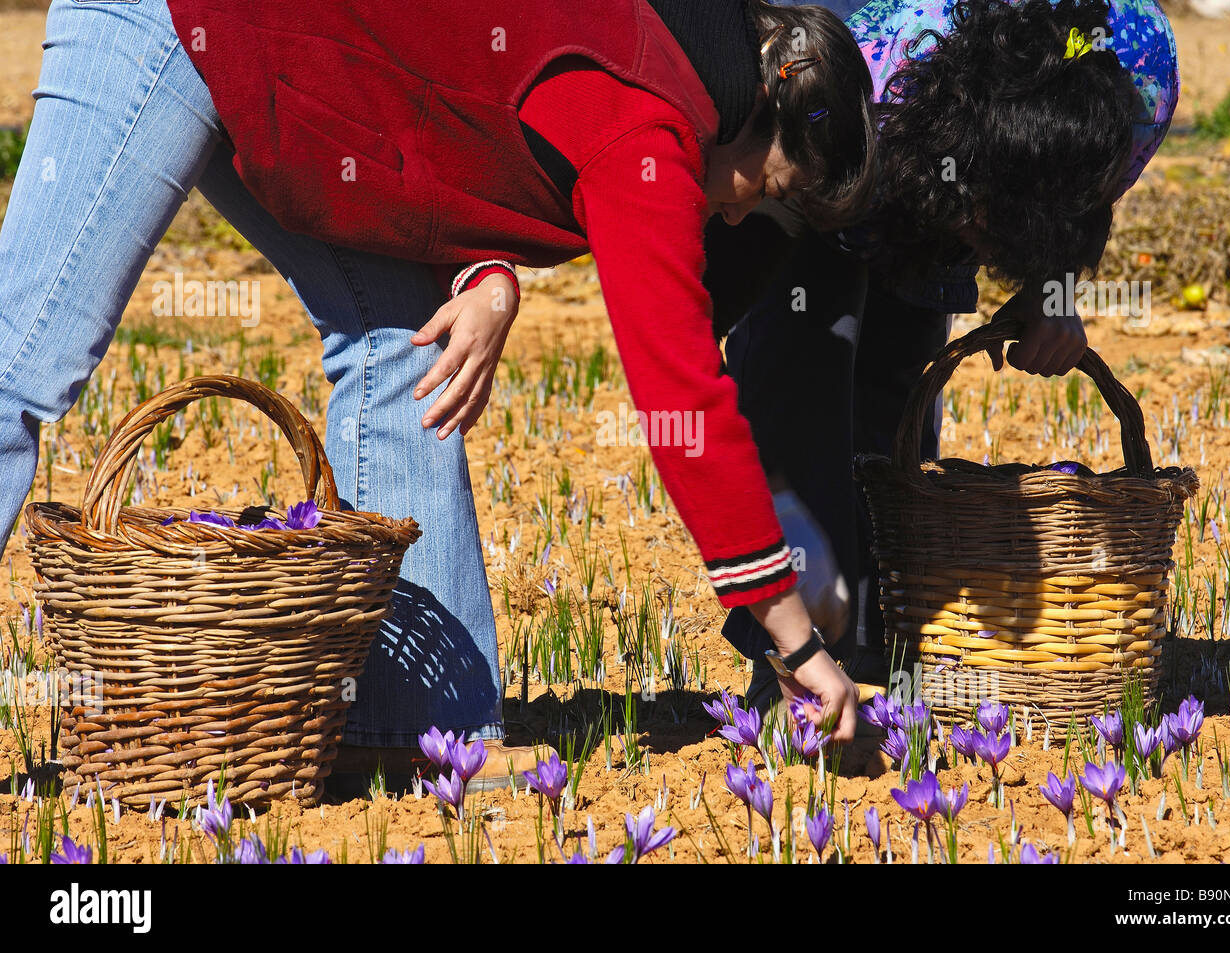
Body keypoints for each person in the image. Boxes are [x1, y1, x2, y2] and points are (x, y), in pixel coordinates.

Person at [0, 0, 875, 792]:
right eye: (766, 187)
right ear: (769, 96)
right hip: (177, 19)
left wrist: (490, 275)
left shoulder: (658, 45)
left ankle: (421, 730)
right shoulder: (647, 121)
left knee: (400, 342)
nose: (734, 214)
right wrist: (794, 637)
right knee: (23, 361)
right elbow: (681, 393)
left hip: (291, 58)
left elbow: (447, 92)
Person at [701, 0, 1179, 710]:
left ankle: (879, 634)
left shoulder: (1143, 75)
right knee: (802, 346)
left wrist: (1054, 284)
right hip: (852, 119)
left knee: (898, 377)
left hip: (950, 153)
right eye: (982, 218)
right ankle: (800, 654)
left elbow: (1071, 206)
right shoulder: (873, 69)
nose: (983, 238)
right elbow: (745, 268)